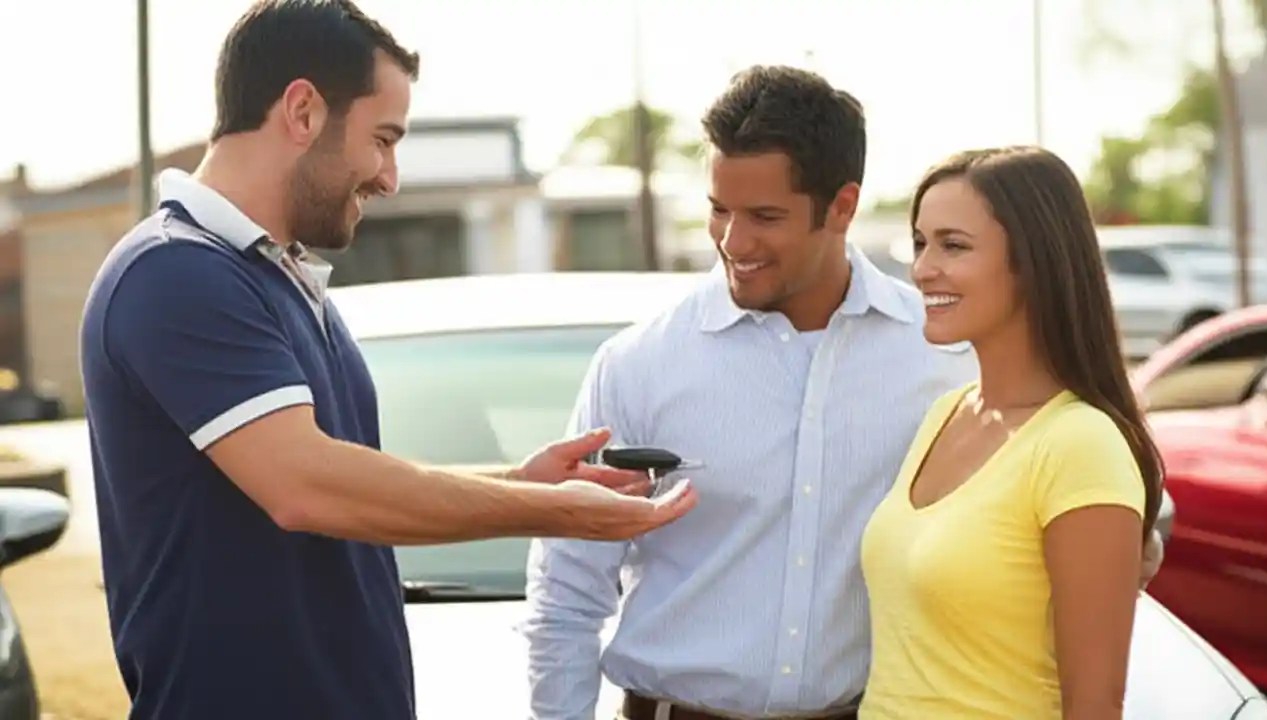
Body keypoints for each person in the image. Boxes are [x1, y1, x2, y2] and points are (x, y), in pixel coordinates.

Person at [77, 2, 695, 719]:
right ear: (303, 110)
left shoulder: (272, 278)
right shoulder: (176, 275)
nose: (390, 176)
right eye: (383, 139)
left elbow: (341, 471)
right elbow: (306, 485)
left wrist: (513, 479)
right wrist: (552, 509)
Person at [522, 66, 1164, 720]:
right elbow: (565, 598)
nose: (733, 241)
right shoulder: (637, 365)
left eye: (765, 216)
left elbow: (1055, 501)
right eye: (719, 210)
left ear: (843, 206)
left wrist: (1119, 545)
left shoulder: (946, 358)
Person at [858, 146, 1164, 720]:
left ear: (1033, 261)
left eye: (953, 245)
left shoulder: (1080, 444)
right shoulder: (944, 416)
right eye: (921, 242)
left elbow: (1095, 706)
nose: (922, 268)